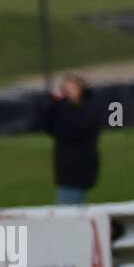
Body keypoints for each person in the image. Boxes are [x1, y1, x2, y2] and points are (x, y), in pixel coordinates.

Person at [40, 73, 101, 205]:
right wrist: (53, 103)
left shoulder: (89, 109)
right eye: (65, 89)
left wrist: (62, 106)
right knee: (75, 208)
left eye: (71, 89)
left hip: (79, 166)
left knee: (67, 212)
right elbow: (46, 126)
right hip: (66, 166)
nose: (67, 93)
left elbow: (74, 130)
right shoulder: (62, 107)